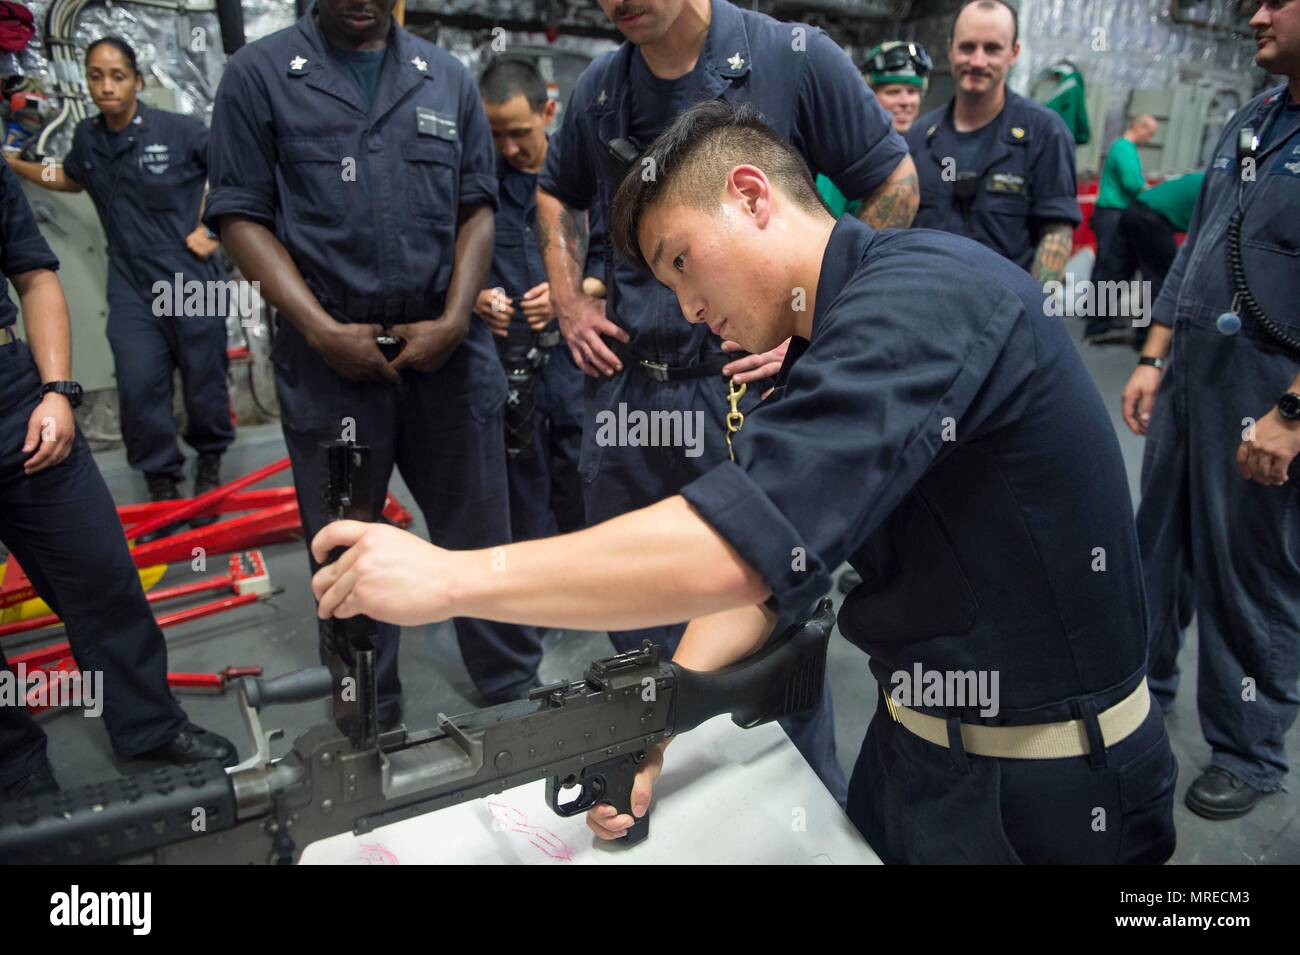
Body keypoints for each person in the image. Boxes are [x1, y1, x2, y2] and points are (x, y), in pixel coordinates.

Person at [310, 100, 1178, 864]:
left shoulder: (923, 297)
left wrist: (451, 576)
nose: (685, 307)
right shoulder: (818, 345)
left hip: (1044, 786)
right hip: (916, 751)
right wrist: (660, 710)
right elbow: (775, 561)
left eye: (682, 261)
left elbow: (734, 550)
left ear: (753, 196)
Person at [534, 0, 921, 805]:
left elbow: (893, 183)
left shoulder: (793, 57)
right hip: (629, 388)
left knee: (764, 617)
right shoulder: (603, 89)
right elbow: (555, 191)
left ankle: (803, 814)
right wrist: (570, 300)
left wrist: (821, 322)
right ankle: (652, 784)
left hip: (749, 389)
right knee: (636, 611)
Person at [202, 0, 543, 721]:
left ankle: (512, 681)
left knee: (480, 529)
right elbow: (239, 215)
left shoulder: (444, 77)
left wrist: (455, 316)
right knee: (347, 546)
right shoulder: (258, 76)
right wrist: (322, 330)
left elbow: (476, 206)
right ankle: (366, 707)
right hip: (332, 365)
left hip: (448, 354)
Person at [0, 160, 236, 798]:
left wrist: (55, 391)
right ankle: (14, 767)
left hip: (14, 403)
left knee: (101, 575)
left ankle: (149, 726)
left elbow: (33, 271)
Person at [1120, 0, 1300, 822]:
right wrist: (1155, 354)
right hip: (1192, 375)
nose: (1254, 15)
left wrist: (1292, 413)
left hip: (1268, 392)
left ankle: (1250, 751)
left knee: (1248, 572)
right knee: (1155, 550)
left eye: (1273, 1)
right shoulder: (1256, 116)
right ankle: (1139, 707)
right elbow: (1197, 243)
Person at [4, 37, 233, 537]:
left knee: (204, 381)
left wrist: (214, 229)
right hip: (130, 285)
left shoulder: (179, 130)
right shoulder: (88, 138)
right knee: (137, 385)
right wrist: (12, 164)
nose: (106, 86)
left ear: (137, 81)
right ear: (86, 81)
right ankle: (162, 486)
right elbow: (67, 176)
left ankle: (210, 465)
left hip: (190, 279)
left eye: (117, 75)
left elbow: (237, 169)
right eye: (96, 75)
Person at [474, 57, 600, 541]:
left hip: (574, 358)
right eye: (496, 134)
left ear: (548, 112)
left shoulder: (585, 176)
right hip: (505, 361)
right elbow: (445, 254)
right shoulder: (479, 182)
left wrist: (574, 292)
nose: (509, 148)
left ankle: (581, 578)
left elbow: (618, 257)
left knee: (580, 473)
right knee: (519, 483)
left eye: (520, 133)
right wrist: (474, 298)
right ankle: (534, 596)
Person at [907, 0, 1081, 284]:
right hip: (924, 310)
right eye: (967, 47)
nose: (977, 61)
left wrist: (1034, 313)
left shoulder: (1046, 134)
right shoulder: (919, 137)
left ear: (1014, 53)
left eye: (992, 48)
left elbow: (1056, 233)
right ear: (950, 49)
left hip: (1002, 318)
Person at [817, 40, 932, 217]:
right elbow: (825, 224)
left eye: (912, 91)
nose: (905, 102)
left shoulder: (926, 147)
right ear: (867, 95)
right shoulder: (846, 154)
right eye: (893, 92)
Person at [1091, 171, 1203, 350]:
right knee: (1160, 280)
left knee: (1117, 270)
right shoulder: (1221, 188)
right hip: (1155, 220)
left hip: (1135, 208)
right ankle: (1146, 337)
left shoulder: (1201, 178)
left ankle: (1096, 326)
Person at [1086, 114, 1159, 344]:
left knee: (1106, 266)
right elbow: (1132, 183)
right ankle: (1098, 320)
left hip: (1111, 213)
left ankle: (1099, 313)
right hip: (1113, 213)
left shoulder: (1121, 147)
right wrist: (1155, 195)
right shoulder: (1124, 148)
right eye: (1150, 132)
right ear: (1139, 127)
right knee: (1111, 267)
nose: (1150, 138)